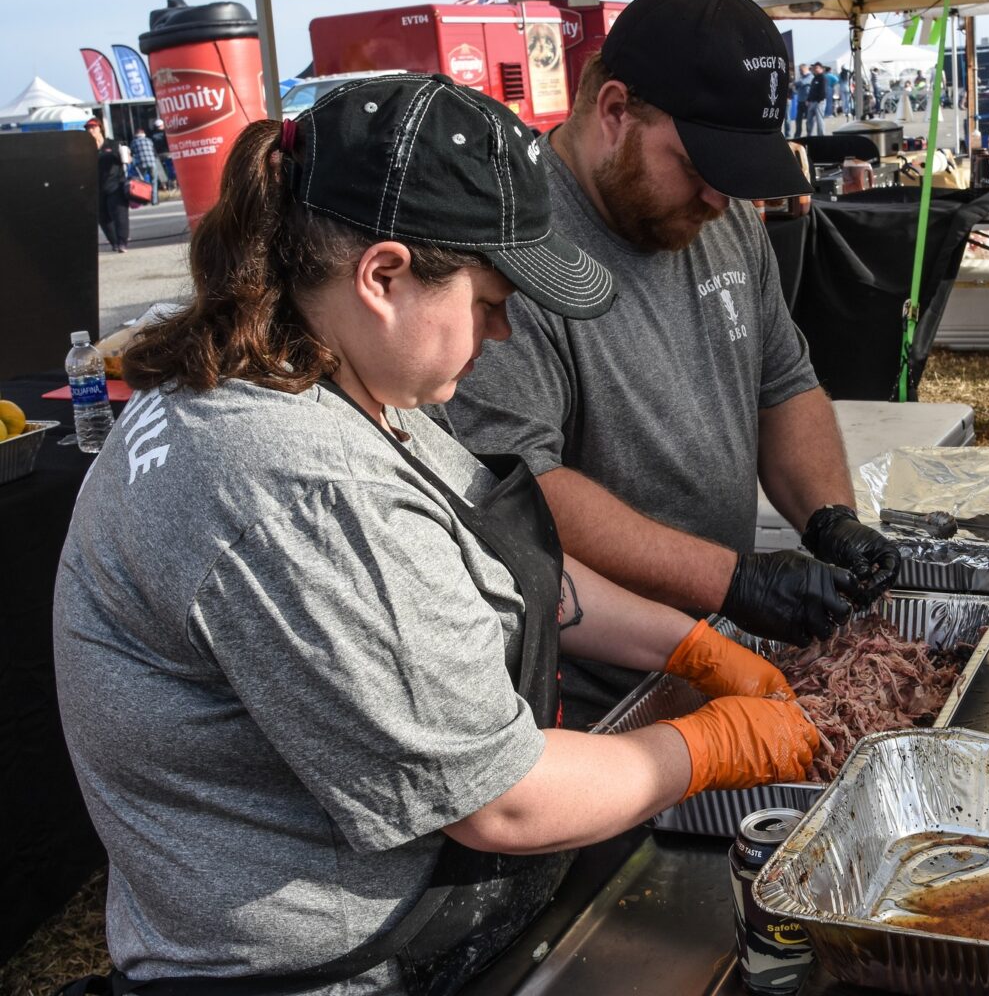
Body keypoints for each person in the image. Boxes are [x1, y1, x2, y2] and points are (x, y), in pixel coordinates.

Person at [53, 74, 816, 995]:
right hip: (324, 969)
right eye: (490, 301)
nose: (501, 334)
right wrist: (707, 748)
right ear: (382, 276)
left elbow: (510, 562)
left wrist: (685, 643)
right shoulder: (297, 487)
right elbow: (503, 800)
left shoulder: (317, 369)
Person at [445, 0, 902, 725]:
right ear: (616, 111)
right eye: (696, 166)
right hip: (586, 689)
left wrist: (830, 520)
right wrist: (733, 579)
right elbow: (524, 486)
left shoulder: (725, 216)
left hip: (718, 648)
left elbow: (783, 383)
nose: (717, 199)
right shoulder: (518, 246)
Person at [85, 118, 130, 252]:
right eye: (88, 128)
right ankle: (114, 242)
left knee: (119, 215)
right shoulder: (86, 148)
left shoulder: (113, 144)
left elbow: (125, 160)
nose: (90, 130)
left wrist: (127, 156)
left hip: (115, 186)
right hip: (96, 188)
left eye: (93, 127)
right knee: (103, 218)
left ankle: (122, 243)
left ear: (100, 128)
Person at [129, 126, 161, 202]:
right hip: (152, 162)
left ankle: (144, 198)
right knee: (154, 181)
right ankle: (154, 200)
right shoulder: (149, 140)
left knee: (142, 182)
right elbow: (154, 151)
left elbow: (132, 153)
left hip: (141, 164)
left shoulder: (134, 142)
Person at [150, 117, 177, 189]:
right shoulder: (166, 133)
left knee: (160, 170)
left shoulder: (152, 134)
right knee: (170, 168)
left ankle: (164, 185)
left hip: (157, 154)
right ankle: (173, 184)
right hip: (167, 153)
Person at [806, 61, 829, 134]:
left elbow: (823, 91)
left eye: (817, 68)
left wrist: (820, 100)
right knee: (809, 120)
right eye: (814, 68)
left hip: (819, 102)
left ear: (821, 69)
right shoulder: (814, 79)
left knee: (819, 120)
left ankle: (821, 136)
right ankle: (809, 135)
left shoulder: (823, 78)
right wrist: (808, 99)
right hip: (812, 102)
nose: (815, 69)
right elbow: (811, 90)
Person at [792, 62, 813, 137]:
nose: (800, 71)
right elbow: (796, 86)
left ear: (805, 69)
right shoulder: (801, 77)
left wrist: (795, 84)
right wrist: (795, 85)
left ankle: (809, 134)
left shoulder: (810, 76)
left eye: (801, 70)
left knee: (808, 119)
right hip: (800, 101)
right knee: (798, 120)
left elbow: (802, 83)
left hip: (807, 101)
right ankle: (797, 134)